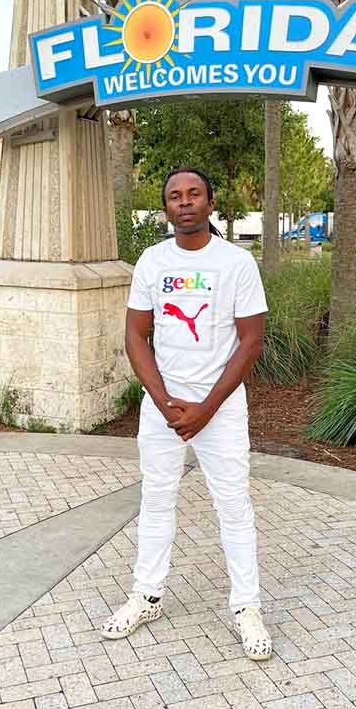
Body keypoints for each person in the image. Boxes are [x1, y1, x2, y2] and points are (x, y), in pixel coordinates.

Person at [101, 168, 273, 661]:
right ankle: (147, 595)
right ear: (166, 208)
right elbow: (136, 336)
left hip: (219, 408)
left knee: (234, 508)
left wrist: (207, 408)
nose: (185, 202)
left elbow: (251, 341)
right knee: (155, 502)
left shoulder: (236, 263)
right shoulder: (152, 262)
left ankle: (247, 608)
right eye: (174, 196)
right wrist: (161, 401)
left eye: (193, 193)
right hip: (163, 410)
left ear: (210, 201)